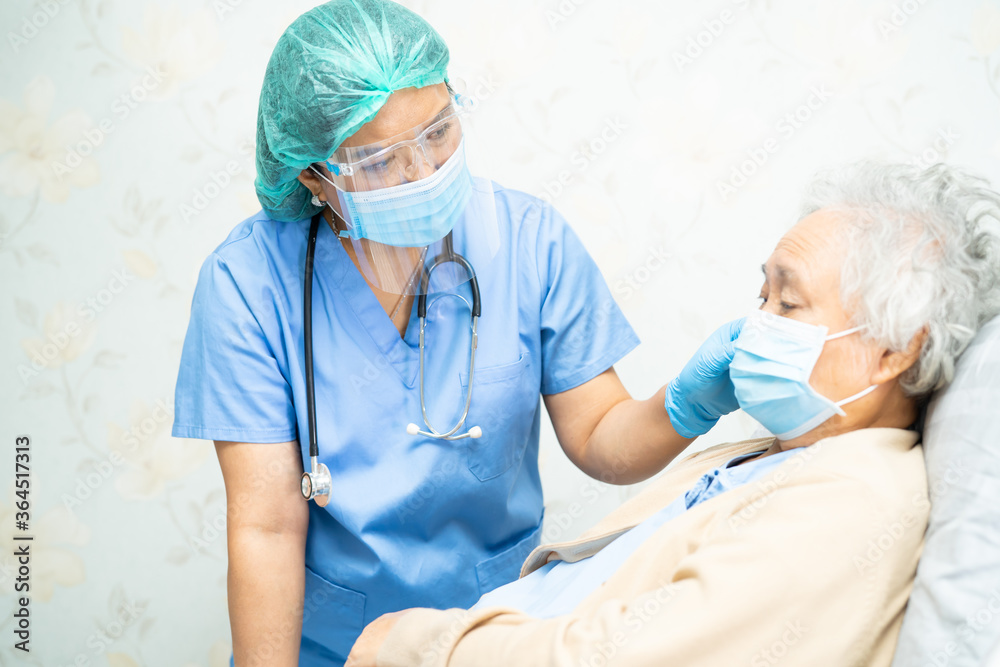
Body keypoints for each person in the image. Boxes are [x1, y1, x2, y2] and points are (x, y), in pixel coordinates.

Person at [170, 1, 745, 664]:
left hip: (496, 634)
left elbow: (598, 438)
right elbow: (267, 529)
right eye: (383, 161)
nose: (424, 171)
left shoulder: (529, 241)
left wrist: (688, 403)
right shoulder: (248, 284)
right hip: (339, 650)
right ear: (315, 174)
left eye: (439, 132)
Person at [345, 161, 1000, 667]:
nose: (754, 324)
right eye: (760, 291)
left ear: (895, 350)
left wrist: (415, 643)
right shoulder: (784, 453)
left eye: (788, 302)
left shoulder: (854, 505)